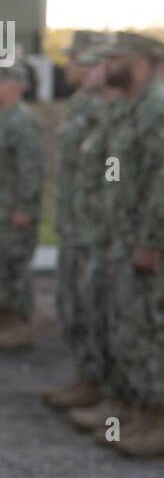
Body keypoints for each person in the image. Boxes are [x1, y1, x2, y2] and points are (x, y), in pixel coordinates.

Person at [88, 33, 164, 456]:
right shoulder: (128, 108)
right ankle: (135, 410)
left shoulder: (156, 109)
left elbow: (160, 182)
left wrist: (151, 241)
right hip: (121, 235)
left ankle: (157, 418)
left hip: (145, 239)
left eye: (117, 58)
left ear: (140, 62)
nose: (108, 65)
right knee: (127, 326)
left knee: (150, 329)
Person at [44, 37, 114, 410]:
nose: (69, 66)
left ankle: (105, 387)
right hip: (78, 221)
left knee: (99, 307)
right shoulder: (83, 102)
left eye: (77, 60)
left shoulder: (108, 108)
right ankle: (87, 378)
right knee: (75, 303)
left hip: (98, 226)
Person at [0, 64, 45, 349]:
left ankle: (19, 325)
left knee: (12, 266)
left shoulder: (21, 121)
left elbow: (31, 170)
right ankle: (1, 317)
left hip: (13, 211)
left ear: (13, 85)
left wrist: (24, 207)